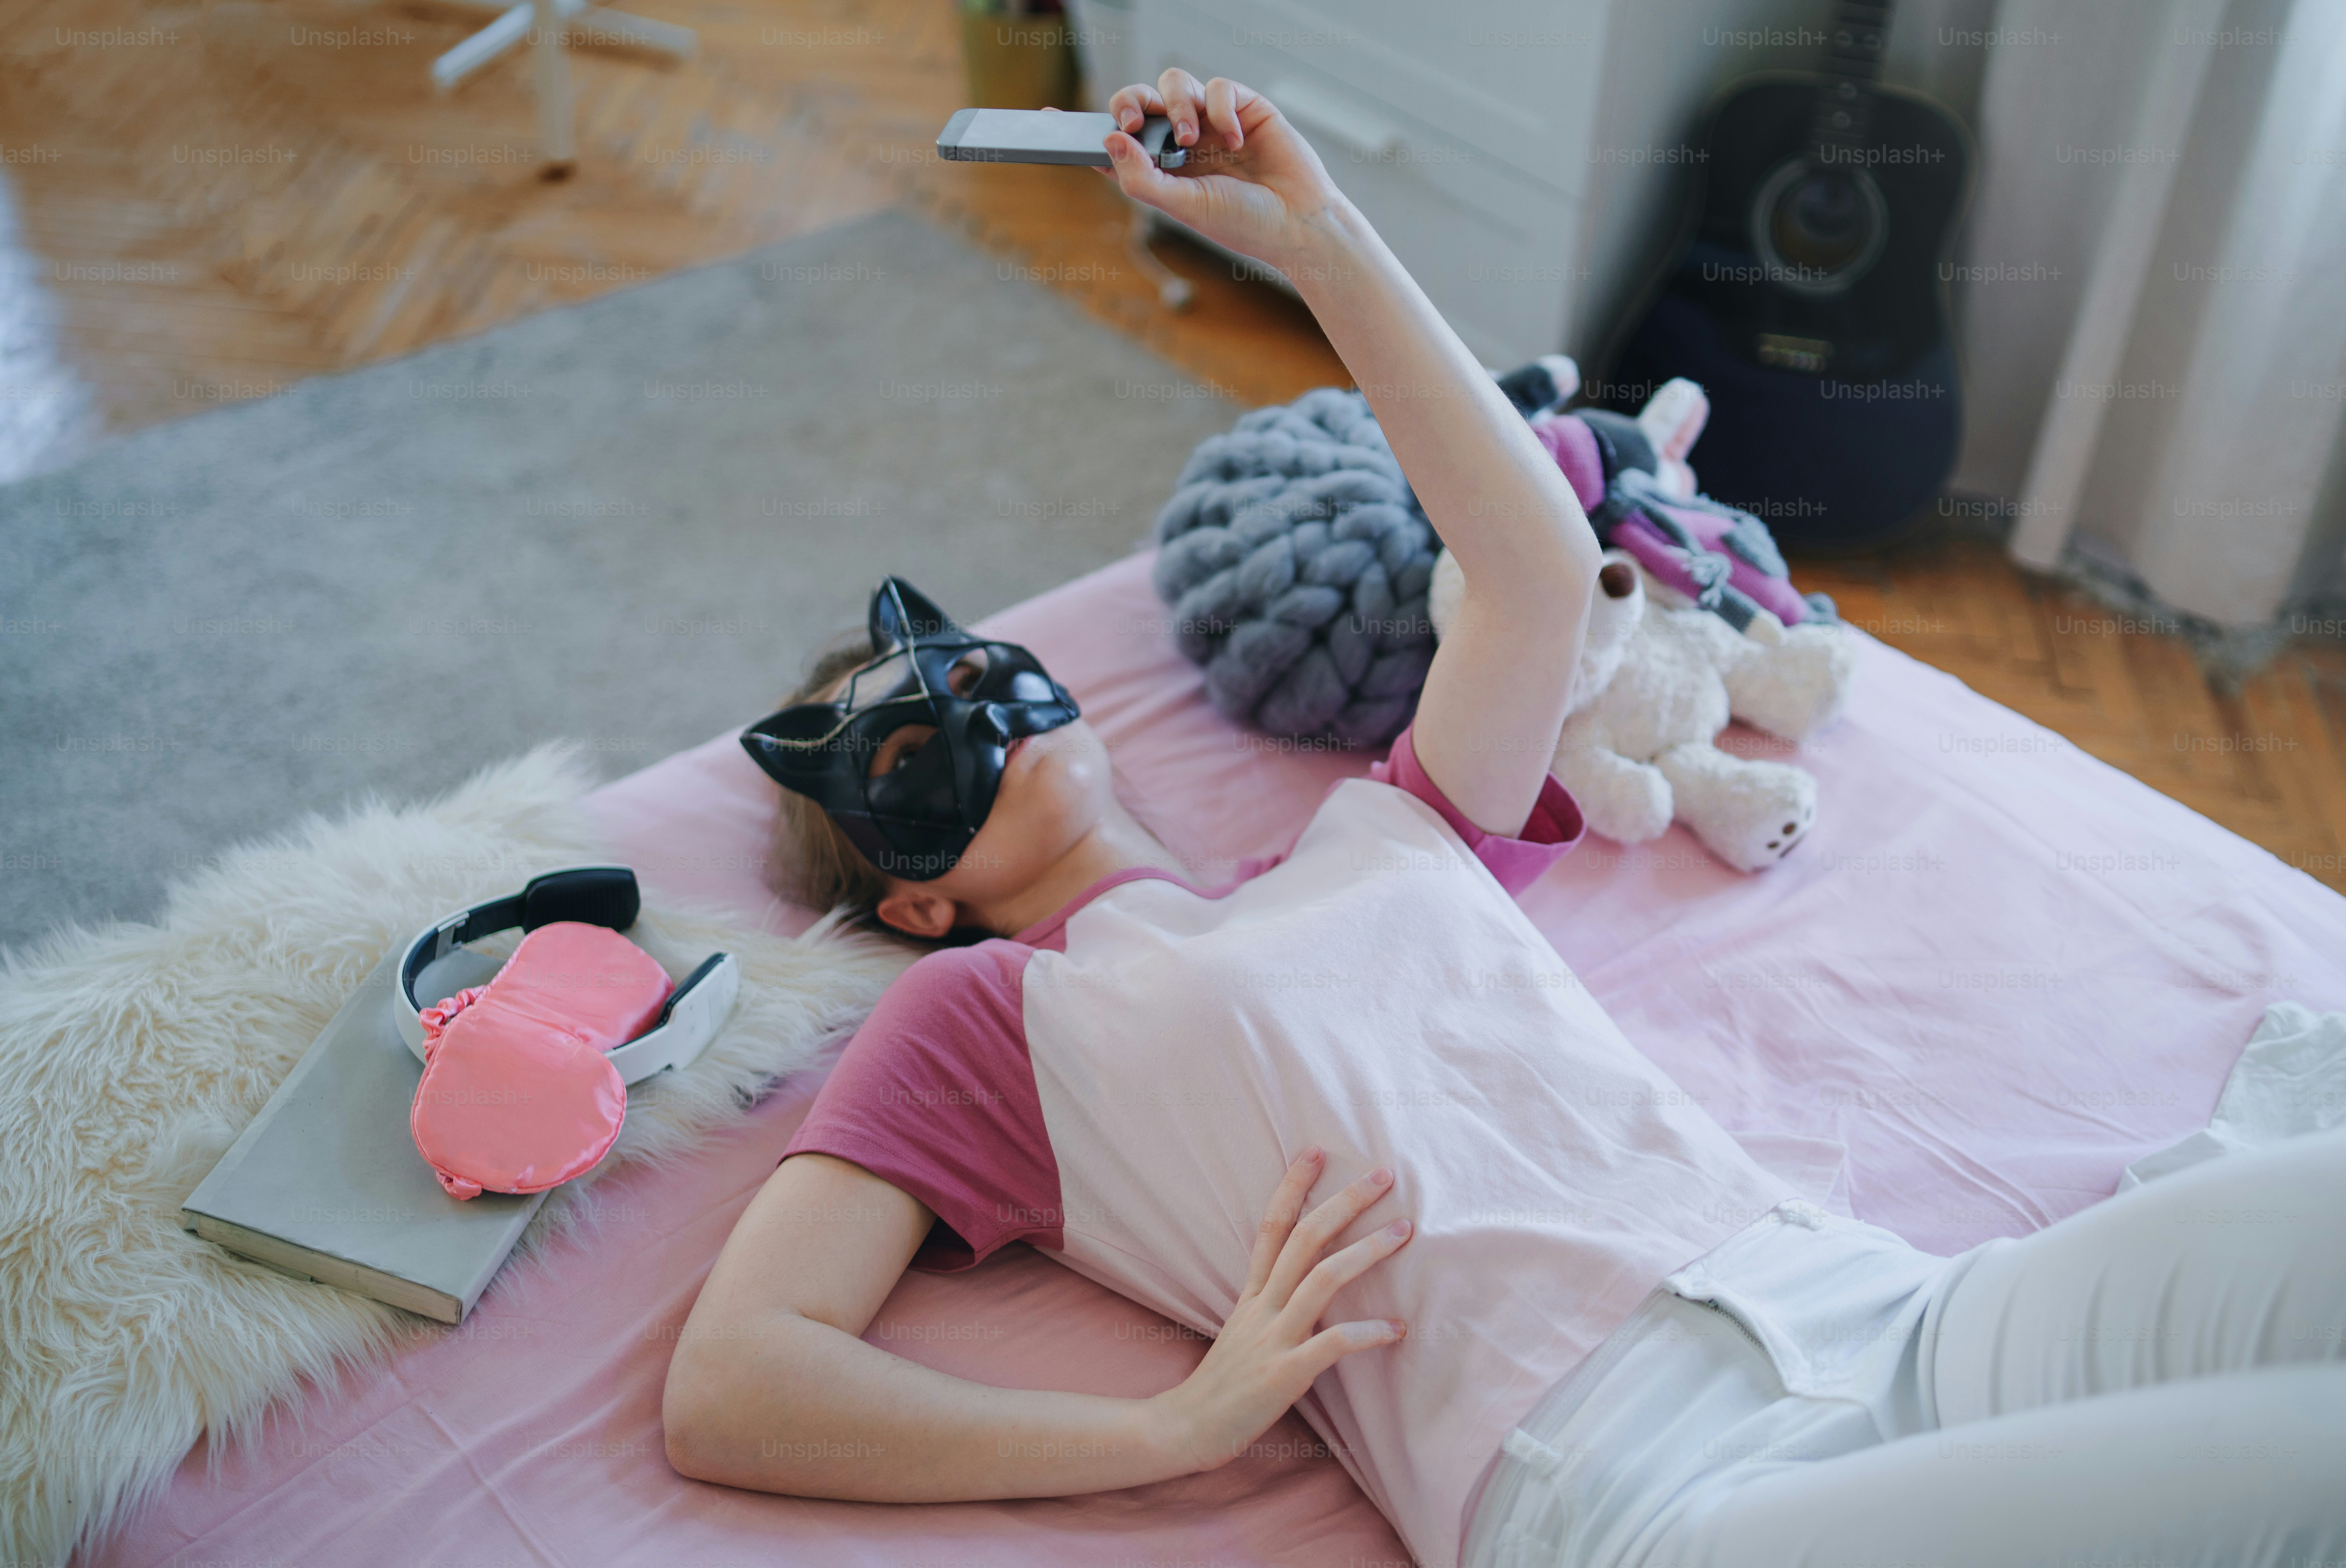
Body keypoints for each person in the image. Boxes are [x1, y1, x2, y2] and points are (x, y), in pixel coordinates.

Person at [661, 72, 2346, 1568]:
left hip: (1875, 1306)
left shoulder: (1378, 833)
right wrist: (1169, 1431)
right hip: (1641, 1485)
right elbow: (738, 1384)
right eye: (910, 758)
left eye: (973, 673)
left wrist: (1314, 237)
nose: (975, 714)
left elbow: (1535, 575)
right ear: (913, 904)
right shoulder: (987, 1017)